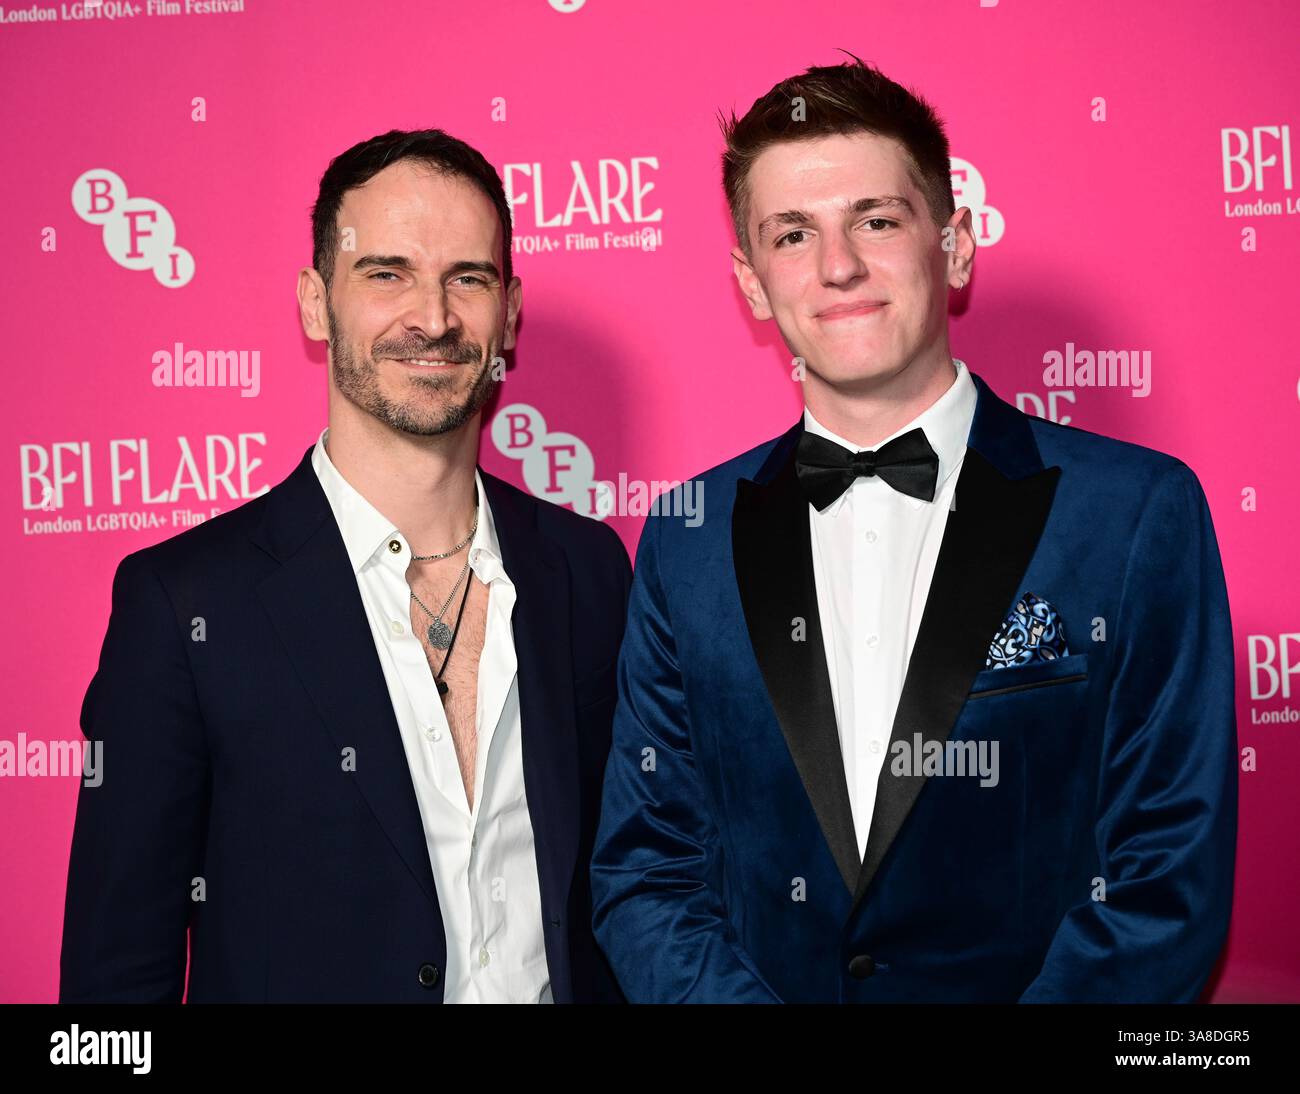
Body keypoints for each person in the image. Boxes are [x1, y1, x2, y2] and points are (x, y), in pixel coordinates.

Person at [590, 60, 1237, 1003]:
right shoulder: (685, 539)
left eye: (877, 220)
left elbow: (1167, 870)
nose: (838, 265)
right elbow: (648, 868)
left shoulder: (1135, 513)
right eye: (793, 234)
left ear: (956, 245)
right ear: (753, 283)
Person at [60, 129, 630, 1003]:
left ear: (509, 311)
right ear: (316, 303)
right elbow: (113, 980)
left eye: (467, 278)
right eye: (386, 272)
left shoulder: (588, 570)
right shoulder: (183, 604)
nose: (433, 318)